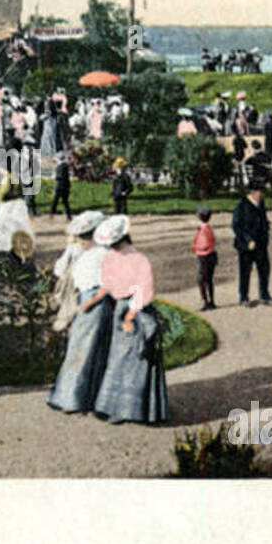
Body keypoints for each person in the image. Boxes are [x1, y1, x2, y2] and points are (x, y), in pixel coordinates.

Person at [87, 215, 170, 425]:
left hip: (133, 310)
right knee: (124, 358)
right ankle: (121, 407)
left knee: (132, 359)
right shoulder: (127, 258)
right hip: (125, 309)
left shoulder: (132, 259)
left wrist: (130, 315)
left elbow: (142, 290)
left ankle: (129, 409)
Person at [47, 211, 113, 413]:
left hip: (88, 303)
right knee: (88, 350)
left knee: (83, 350)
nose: (81, 242)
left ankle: (74, 397)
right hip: (94, 304)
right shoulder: (100, 254)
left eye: (84, 238)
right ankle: (77, 398)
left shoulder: (94, 254)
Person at [231, 183, 272, 306]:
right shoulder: (242, 205)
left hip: (261, 243)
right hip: (246, 246)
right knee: (245, 271)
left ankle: (264, 294)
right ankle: (243, 297)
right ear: (253, 192)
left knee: (264, 269)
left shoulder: (261, 205)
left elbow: (263, 220)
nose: (262, 195)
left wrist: (267, 227)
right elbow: (236, 225)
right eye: (260, 192)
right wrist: (248, 240)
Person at [192, 205, 218, 310]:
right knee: (209, 279)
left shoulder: (203, 229)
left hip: (203, 256)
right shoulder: (207, 228)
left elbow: (203, 244)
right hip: (210, 255)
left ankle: (205, 301)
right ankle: (211, 300)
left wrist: (195, 248)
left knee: (201, 279)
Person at [50, 154, 72, 219]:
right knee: (64, 201)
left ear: (59, 159)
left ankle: (52, 212)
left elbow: (60, 176)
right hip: (64, 185)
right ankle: (68, 214)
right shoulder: (63, 165)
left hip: (60, 186)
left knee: (56, 200)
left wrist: (54, 177)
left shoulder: (62, 166)